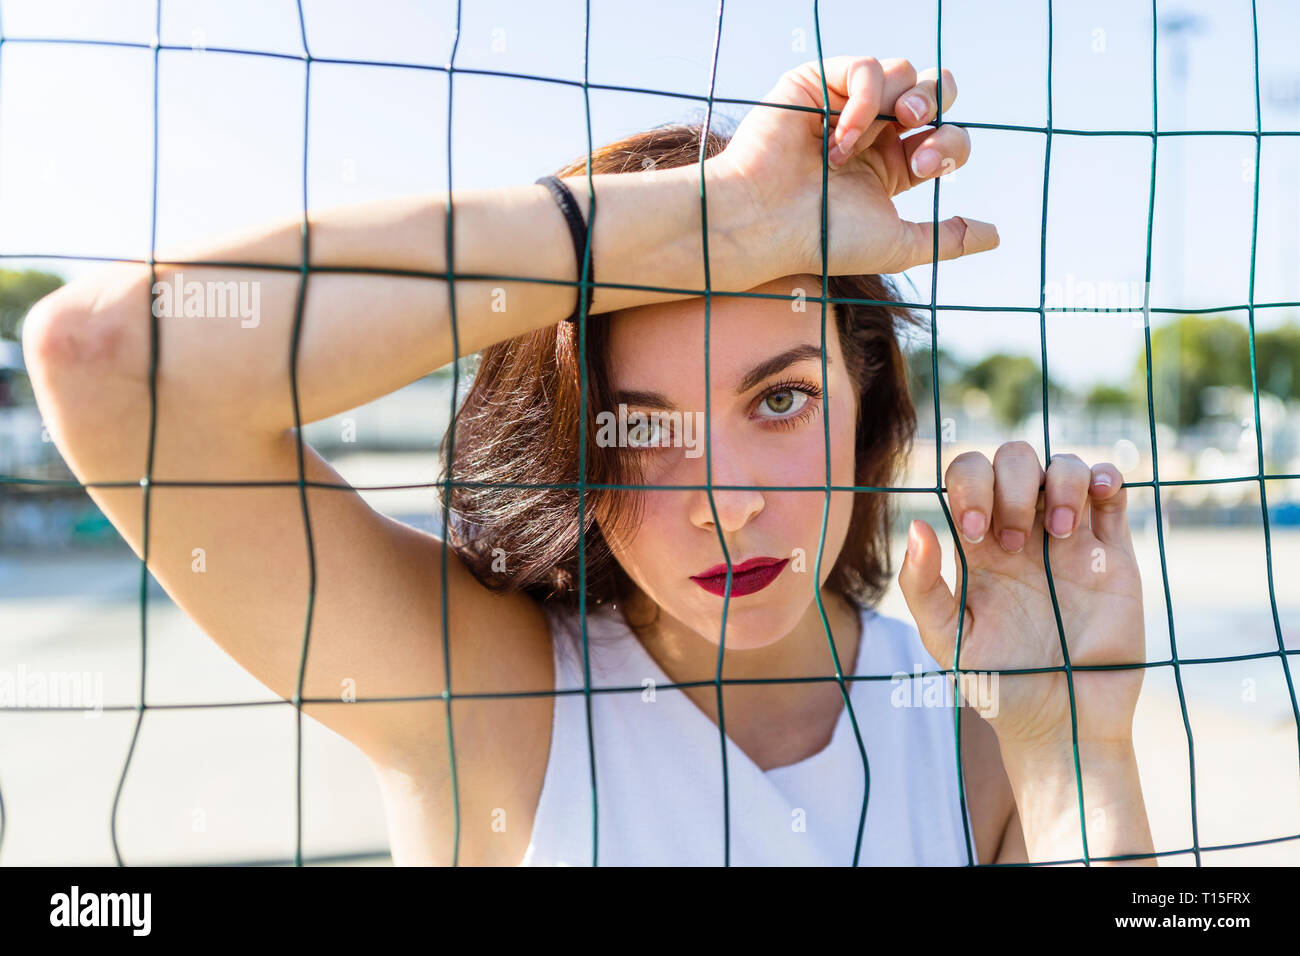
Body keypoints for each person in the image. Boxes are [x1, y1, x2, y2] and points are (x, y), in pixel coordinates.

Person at [23, 55, 1153, 866]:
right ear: (567, 455)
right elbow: (109, 358)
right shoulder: (490, 703)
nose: (726, 502)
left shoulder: (985, 731)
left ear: (868, 408)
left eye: (781, 397)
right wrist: (712, 222)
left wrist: (1073, 748)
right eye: (637, 424)